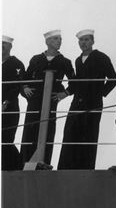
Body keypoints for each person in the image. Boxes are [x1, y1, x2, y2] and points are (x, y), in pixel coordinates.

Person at [58, 30, 116, 170]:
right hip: (77, 103)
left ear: (93, 41)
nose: (83, 43)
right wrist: (67, 92)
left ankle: (85, 169)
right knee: (70, 133)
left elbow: (113, 79)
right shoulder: (78, 60)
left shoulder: (101, 57)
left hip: (93, 104)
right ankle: (67, 168)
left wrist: (100, 93)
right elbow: (77, 82)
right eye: (81, 40)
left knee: (89, 136)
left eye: (86, 40)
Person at [20, 30, 75, 167]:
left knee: (49, 130)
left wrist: (65, 93)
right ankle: (25, 162)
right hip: (34, 101)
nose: (59, 41)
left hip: (51, 101)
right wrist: (25, 87)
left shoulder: (64, 62)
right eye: (56, 39)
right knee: (30, 130)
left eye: (60, 39)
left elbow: (74, 82)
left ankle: (44, 162)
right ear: (48, 42)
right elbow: (24, 78)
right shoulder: (36, 59)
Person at [2, 36, 25, 170]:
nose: (1, 46)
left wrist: (6, 102)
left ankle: (16, 166)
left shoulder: (15, 64)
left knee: (5, 139)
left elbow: (16, 86)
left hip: (8, 108)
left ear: (10, 46)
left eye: (4, 43)